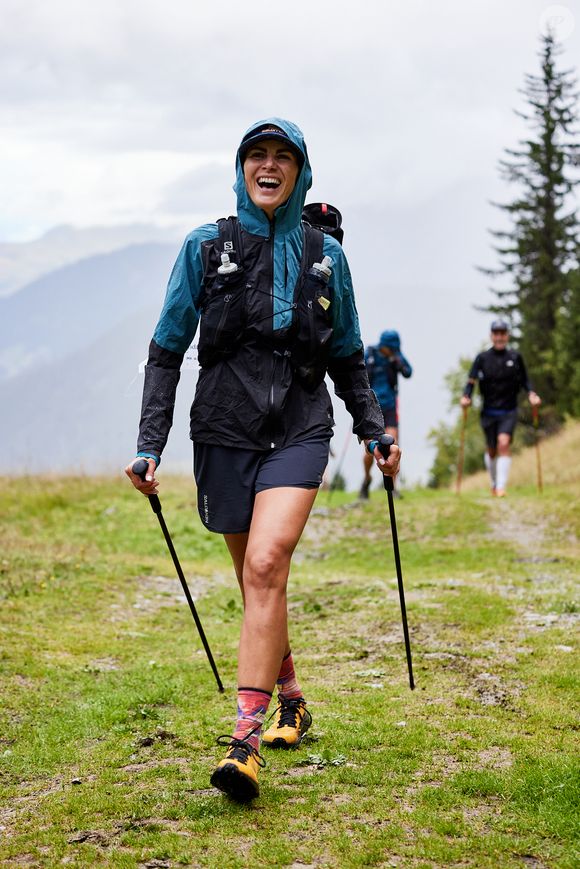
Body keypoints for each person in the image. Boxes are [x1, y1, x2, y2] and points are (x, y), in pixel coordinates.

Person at [125, 118, 400, 802]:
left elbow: (347, 355)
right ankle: (292, 696)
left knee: (266, 563)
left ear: (301, 170)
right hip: (221, 428)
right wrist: (148, 442)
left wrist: (374, 430)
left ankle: (243, 741)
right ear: (242, 166)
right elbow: (166, 348)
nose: (269, 165)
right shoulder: (203, 246)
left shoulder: (326, 256)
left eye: (284, 155)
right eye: (258, 154)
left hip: (301, 426)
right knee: (257, 586)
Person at [460, 319, 541, 497]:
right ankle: (494, 482)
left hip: (509, 410)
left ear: (507, 335)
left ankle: (501, 487)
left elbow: (526, 380)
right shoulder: (482, 358)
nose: (499, 337)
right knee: (491, 449)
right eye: (496, 333)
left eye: (502, 333)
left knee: (503, 443)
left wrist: (532, 394)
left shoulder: (515, 357)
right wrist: (466, 397)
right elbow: (471, 381)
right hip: (488, 411)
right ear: (491, 335)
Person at [359, 330, 412, 499]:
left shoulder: (396, 356)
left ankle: (392, 486)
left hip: (389, 406)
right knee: (370, 449)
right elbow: (359, 376)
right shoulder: (371, 355)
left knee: (392, 443)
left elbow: (408, 372)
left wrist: (397, 361)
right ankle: (367, 479)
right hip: (372, 407)